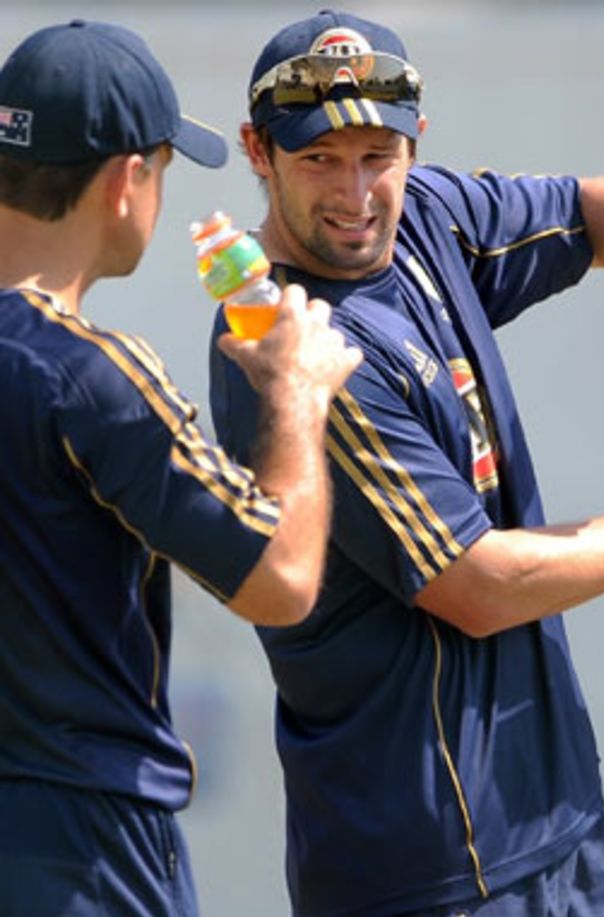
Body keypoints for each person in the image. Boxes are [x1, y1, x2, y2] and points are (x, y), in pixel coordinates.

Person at [206, 9, 604, 916]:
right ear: (257, 152)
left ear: (415, 140)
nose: (356, 192)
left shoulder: (423, 218)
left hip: (549, 818)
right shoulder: (296, 348)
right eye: (318, 159)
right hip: (428, 861)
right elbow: (476, 586)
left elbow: (587, 209)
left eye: (378, 154)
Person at [0, 19, 361, 917]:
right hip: (79, 847)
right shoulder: (90, 376)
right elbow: (281, 579)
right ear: (127, 181)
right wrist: (298, 395)